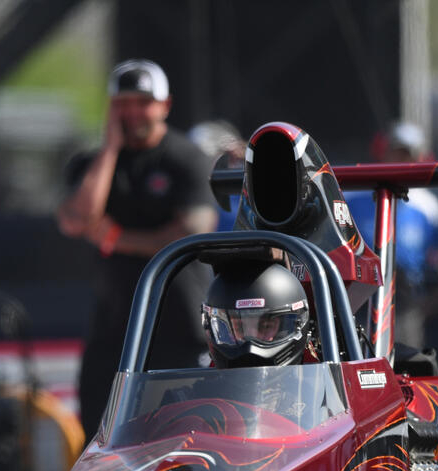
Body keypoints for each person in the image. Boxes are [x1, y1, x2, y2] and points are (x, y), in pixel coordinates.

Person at [56, 59, 218, 438]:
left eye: (143, 103)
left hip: (179, 328)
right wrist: (110, 149)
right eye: (123, 104)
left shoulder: (185, 158)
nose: (132, 113)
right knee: (103, 435)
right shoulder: (92, 163)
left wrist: (117, 238)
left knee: (181, 438)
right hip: (114, 329)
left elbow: (191, 232)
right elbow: (76, 219)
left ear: (165, 105)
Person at [344, 122, 438, 355]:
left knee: (405, 360)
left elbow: (434, 260)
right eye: (397, 151)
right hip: (356, 298)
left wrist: (424, 304)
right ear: (384, 151)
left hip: (406, 303)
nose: (402, 159)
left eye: (408, 154)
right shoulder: (352, 194)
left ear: (420, 157)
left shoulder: (429, 206)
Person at [201, 262, 310, 368]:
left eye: (266, 326)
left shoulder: (315, 375)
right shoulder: (210, 379)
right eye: (239, 327)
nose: (250, 348)